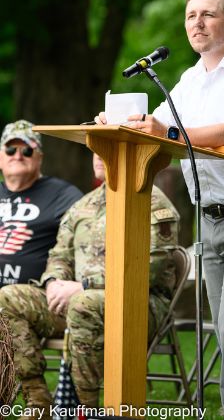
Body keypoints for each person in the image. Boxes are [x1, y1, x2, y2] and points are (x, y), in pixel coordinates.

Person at [97, 0, 224, 419]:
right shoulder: (187, 81)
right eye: (191, 16)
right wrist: (113, 125)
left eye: (208, 14)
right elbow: (152, 126)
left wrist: (160, 131)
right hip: (213, 222)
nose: (197, 23)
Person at [0, 153, 179, 416]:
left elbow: (149, 268)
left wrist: (84, 285)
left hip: (138, 306)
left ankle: (86, 409)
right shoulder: (83, 205)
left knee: (85, 302)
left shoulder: (153, 203)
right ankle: (38, 402)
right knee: (8, 297)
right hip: (81, 304)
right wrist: (53, 282)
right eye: (95, 150)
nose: (98, 157)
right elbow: (59, 254)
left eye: (107, 151)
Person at [0, 120, 82, 287]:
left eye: (27, 151)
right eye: (10, 150)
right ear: (1, 157)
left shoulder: (63, 195)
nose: (18, 156)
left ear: (40, 158)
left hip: (33, 295)